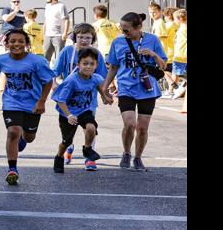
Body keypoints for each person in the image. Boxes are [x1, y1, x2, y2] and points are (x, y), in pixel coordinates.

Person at [0, 28, 57, 186]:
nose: (16, 44)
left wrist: (41, 101)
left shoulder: (37, 61)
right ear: (6, 44)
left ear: (27, 44)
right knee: (13, 132)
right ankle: (12, 169)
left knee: (29, 137)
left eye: (20, 41)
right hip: (12, 102)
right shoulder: (0, 60)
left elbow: (47, 81)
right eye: (12, 41)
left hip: (32, 104)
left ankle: (23, 139)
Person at [104, 12, 166, 171]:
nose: (123, 33)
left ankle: (138, 157)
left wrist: (153, 54)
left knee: (143, 128)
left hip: (147, 88)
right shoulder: (118, 42)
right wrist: (105, 88)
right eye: (121, 29)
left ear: (139, 27)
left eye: (126, 30)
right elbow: (113, 67)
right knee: (130, 124)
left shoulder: (152, 40)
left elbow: (163, 65)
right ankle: (126, 152)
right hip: (125, 87)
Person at [50, 47, 111, 173]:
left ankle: (87, 148)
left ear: (96, 65)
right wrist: (68, 115)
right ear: (78, 65)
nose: (88, 67)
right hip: (68, 112)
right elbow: (61, 100)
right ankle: (59, 156)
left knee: (91, 128)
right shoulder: (71, 80)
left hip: (84, 110)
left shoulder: (96, 78)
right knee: (66, 142)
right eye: (85, 64)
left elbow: (100, 87)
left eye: (92, 64)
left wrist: (105, 97)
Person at [167, 9, 187, 101]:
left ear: (180, 19)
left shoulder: (183, 29)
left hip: (180, 55)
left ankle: (175, 90)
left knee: (175, 73)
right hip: (184, 55)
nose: (174, 21)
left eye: (175, 19)